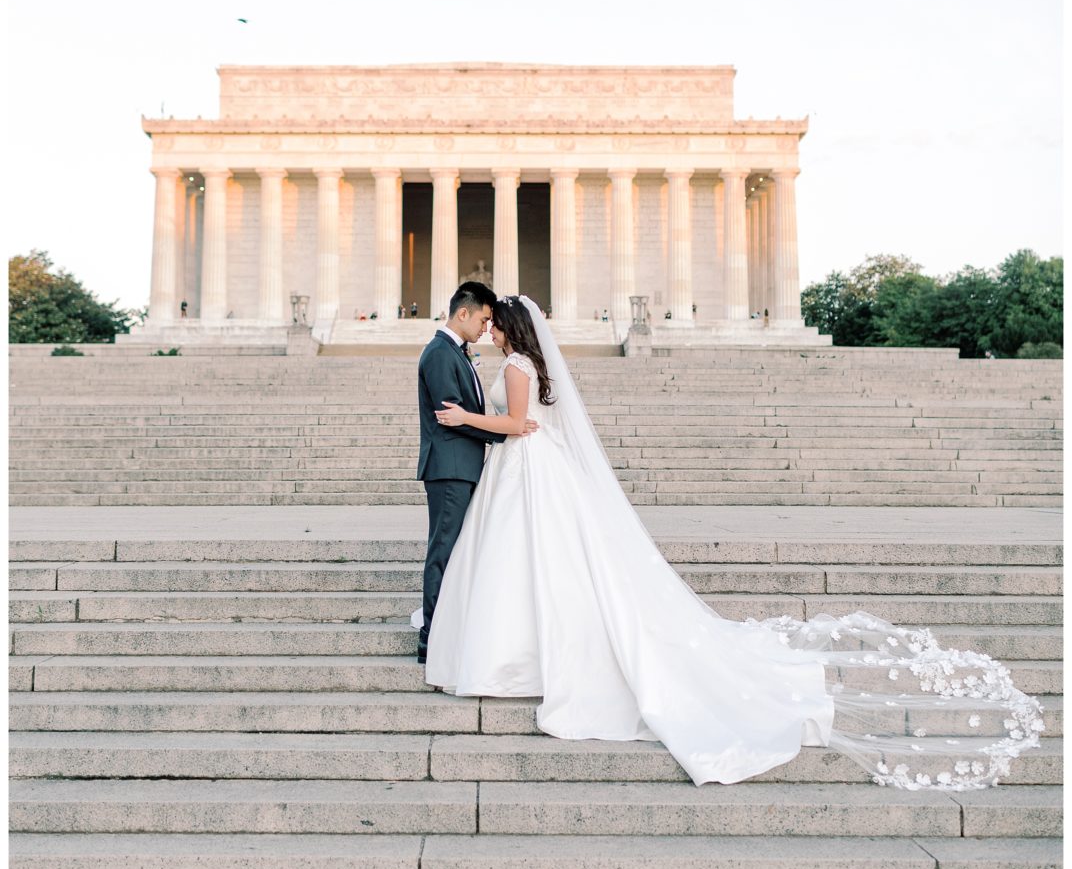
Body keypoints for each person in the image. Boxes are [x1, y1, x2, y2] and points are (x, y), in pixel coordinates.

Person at [424, 295, 1044, 788]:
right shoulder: (517, 363)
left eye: (492, 323)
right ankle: (522, 648)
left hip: (529, 468)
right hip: (528, 467)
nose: (487, 330)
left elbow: (513, 423)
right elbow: (522, 422)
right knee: (541, 563)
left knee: (534, 562)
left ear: (504, 327)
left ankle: (515, 653)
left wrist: (465, 419)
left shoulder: (513, 365)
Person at [414, 282, 538, 665]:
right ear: (463, 313)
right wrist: (508, 430)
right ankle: (431, 638)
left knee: (457, 551)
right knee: (444, 552)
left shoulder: (456, 352)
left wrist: (506, 427)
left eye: (493, 321)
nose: (488, 327)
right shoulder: (438, 353)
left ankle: (449, 629)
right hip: (450, 468)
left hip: (463, 466)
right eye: (484, 318)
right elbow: (450, 415)